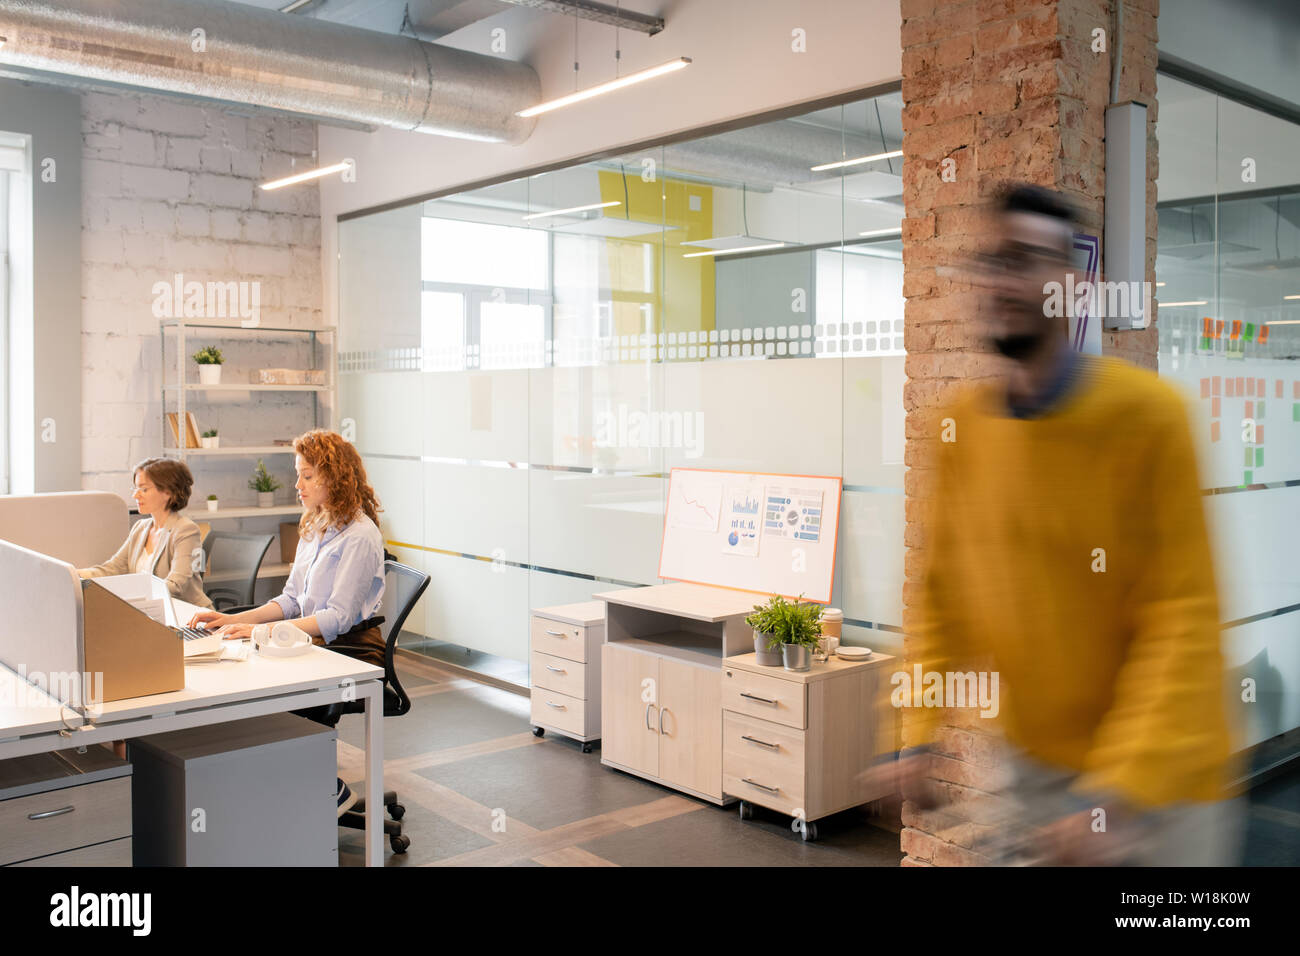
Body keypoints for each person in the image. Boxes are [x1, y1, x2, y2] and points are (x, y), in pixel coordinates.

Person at [894, 183, 1243, 865]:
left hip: (1163, 783)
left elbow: (1183, 618)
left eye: (1026, 260)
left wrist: (1115, 794)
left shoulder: (1147, 420)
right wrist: (912, 734)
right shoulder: (960, 430)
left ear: (1072, 286)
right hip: (1041, 770)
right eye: (992, 261)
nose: (1004, 279)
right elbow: (942, 600)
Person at [188, 429, 386, 669]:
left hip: (349, 651)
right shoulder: (315, 526)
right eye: (298, 475)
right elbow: (291, 599)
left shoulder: (359, 536)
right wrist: (230, 620)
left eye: (308, 476)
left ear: (334, 478)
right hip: (310, 642)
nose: (297, 485)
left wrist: (260, 630)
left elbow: (338, 619)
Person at [80, 457, 213, 609]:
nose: (135, 496)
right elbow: (114, 568)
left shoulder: (186, 530)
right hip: (152, 612)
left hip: (188, 616)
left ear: (168, 492)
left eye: (144, 489)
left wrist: (131, 591)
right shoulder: (140, 528)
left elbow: (176, 585)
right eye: (135, 489)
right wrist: (77, 575)